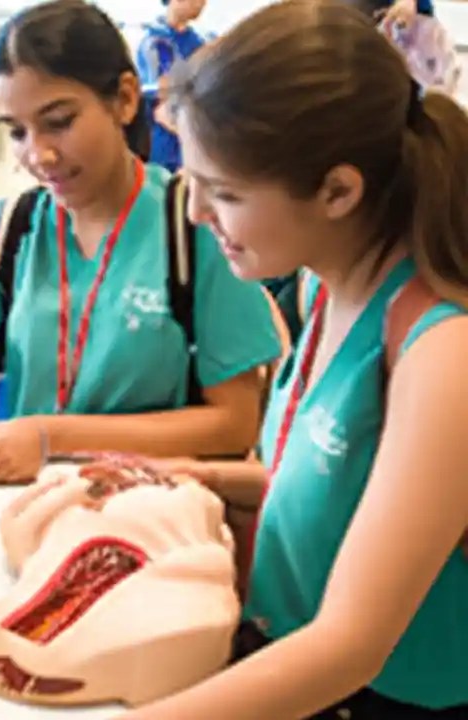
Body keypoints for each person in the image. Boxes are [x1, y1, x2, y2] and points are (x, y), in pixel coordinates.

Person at [124, 2, 468, 718]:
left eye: (224, 193)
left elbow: (351, 644)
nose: (194, 215)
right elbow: (338, 484)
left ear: (339, 191)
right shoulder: (325, 283)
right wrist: (198, 479)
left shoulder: (441, 353)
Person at [0, 0, 283, 483]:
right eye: (17, 132)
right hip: (23, 506)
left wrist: (52, 436)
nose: (39, 154)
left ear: (125, 99)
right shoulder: (11, 231)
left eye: (59, 122)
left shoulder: (193, 226)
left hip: (148, 507)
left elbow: (235, 423)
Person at [136, 0, 209, 172]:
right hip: (165, 154)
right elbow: (163, 108)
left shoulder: (198, 43)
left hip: (191, 149)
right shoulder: (154, 41)